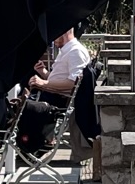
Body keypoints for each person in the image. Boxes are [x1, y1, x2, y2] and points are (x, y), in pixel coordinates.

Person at [18, 26, 89, 156]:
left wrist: (44, 83)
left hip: (55, 102)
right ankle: (30, 144)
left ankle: (32, 144)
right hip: (51, 97)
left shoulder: (75, 52)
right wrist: (44, 73)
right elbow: (61, 79)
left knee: (16, 108)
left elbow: (72, 84)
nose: (53, 38)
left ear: (64, 31)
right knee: (17, 103)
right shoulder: (68, 50)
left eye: (55, 33)